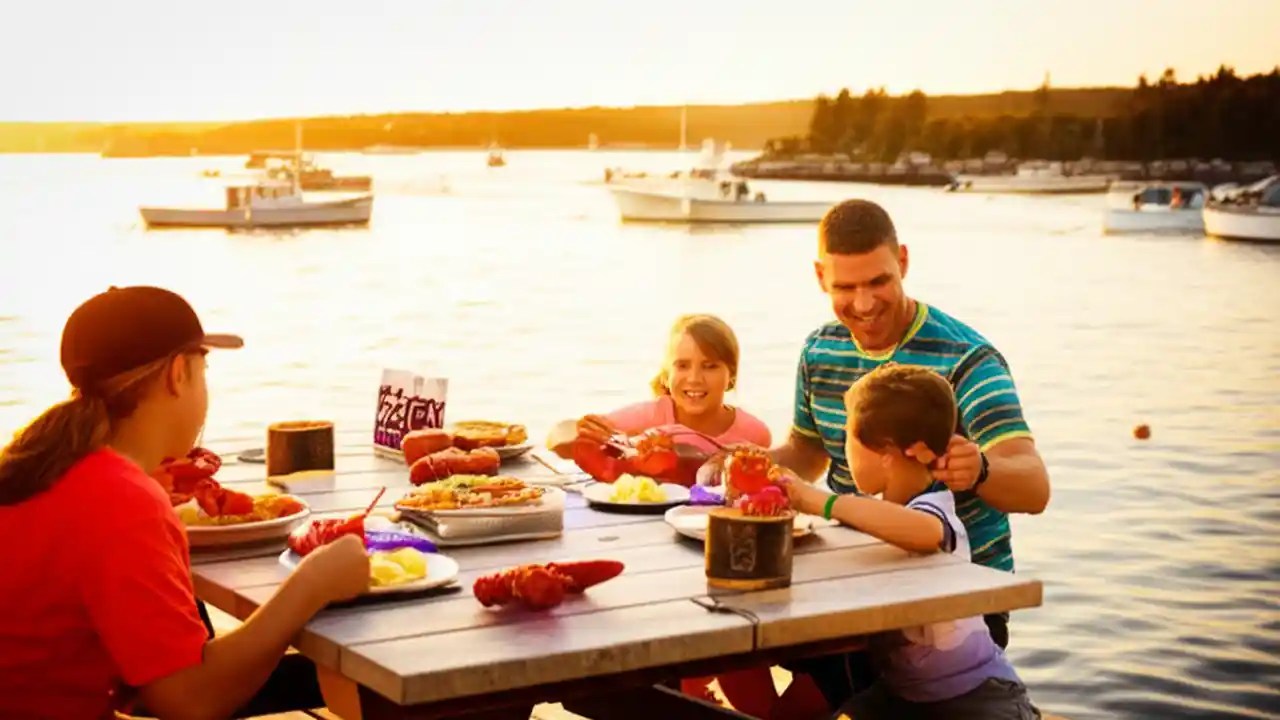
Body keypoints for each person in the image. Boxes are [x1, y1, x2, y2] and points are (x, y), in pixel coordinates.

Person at [704, 198, 1050, 709]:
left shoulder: (968, 357)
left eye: (878, 282)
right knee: (723, 635)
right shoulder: (820, 350)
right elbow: (807, 449)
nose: (863, 304)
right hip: (850, 579)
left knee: (811, 692)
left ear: (903, 262)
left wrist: (978, 468)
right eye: (845, 287)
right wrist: (754, 466)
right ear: (821, 277)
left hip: (953, 614)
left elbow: (1034, 486)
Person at [0, 285, 370, 720]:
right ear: (178, 374)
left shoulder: (38, 464)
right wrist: (313, 584)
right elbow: (188, 701)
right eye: (203, 368)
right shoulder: (123, 500)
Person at [547, 313, 814, 715]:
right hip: (652, 559)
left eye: (710, 366)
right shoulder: (653, 415)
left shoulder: (753, 433)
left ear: (732, 375)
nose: (695, 377)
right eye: (683, 365)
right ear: (666, 374)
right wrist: (589, 433)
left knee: (740, 660)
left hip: (723, 555)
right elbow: (558, 438)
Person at [778, 363, 1042, 719]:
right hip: (903, 697)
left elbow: (923, 533)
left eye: (849, 437)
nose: (843, 449)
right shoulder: (873, 516)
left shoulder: (936, 509)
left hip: (977, 698)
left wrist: (816, 500)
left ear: (886, 454)